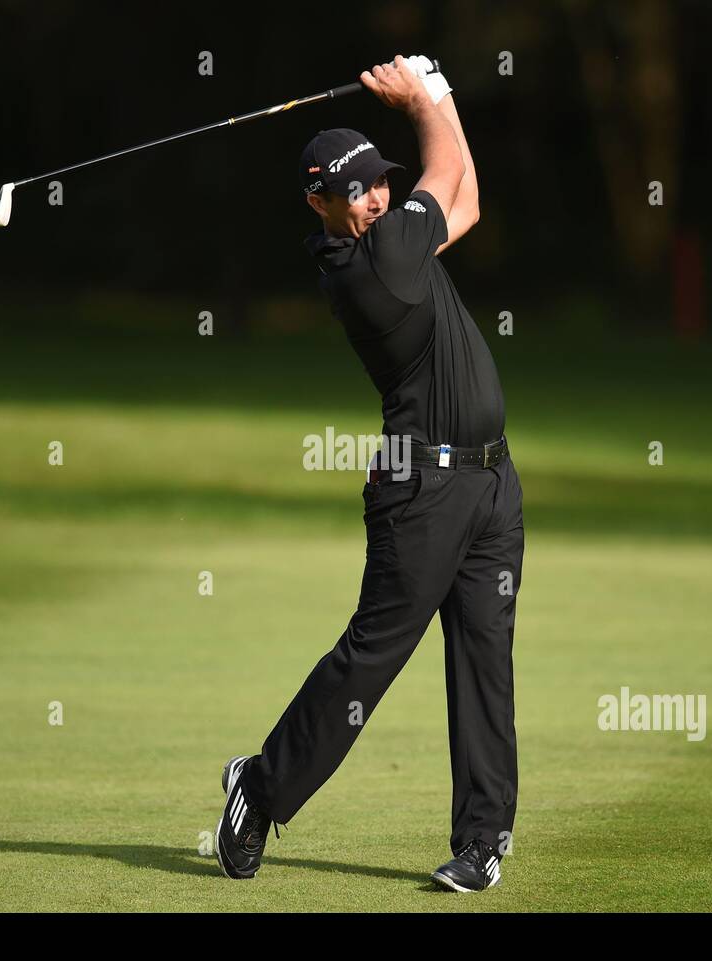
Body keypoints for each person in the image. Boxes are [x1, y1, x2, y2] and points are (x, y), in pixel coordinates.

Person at [215, 55, 523, 893]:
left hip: (492, 484)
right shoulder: (374, 264)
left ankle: (483, 839)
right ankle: (262, 785)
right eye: (356, 190)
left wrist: (438, 95)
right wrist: (427, 96)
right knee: (373, 657)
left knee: (484, 660)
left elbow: (465, 196)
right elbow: (449, 168)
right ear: (320, 204)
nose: (377, 197)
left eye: (381, 183)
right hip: (419, 489)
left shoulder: (398, 243)